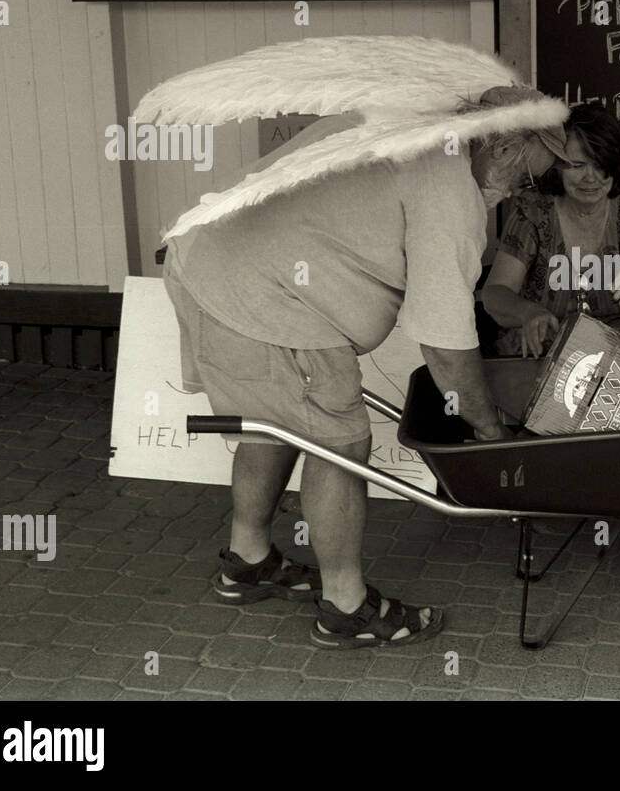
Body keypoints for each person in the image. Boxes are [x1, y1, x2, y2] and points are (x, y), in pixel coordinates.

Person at [162, 85, 571, 649]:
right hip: (265, 295)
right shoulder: (448, 188)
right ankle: (346, 607)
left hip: (209, 258)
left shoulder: (415, 117)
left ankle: (248, 561)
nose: (518, 192)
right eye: (527, 177)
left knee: (274, 424)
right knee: (340, 443)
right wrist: (489, 432)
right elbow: (446, 342)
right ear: (501, 148)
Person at [482, 102, 620, 357]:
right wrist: (528, 312)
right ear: (557, 165)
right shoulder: (533, 208)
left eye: (600, 164)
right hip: (549, 339)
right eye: (577, 165)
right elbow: (495, 293)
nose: (591, 177)